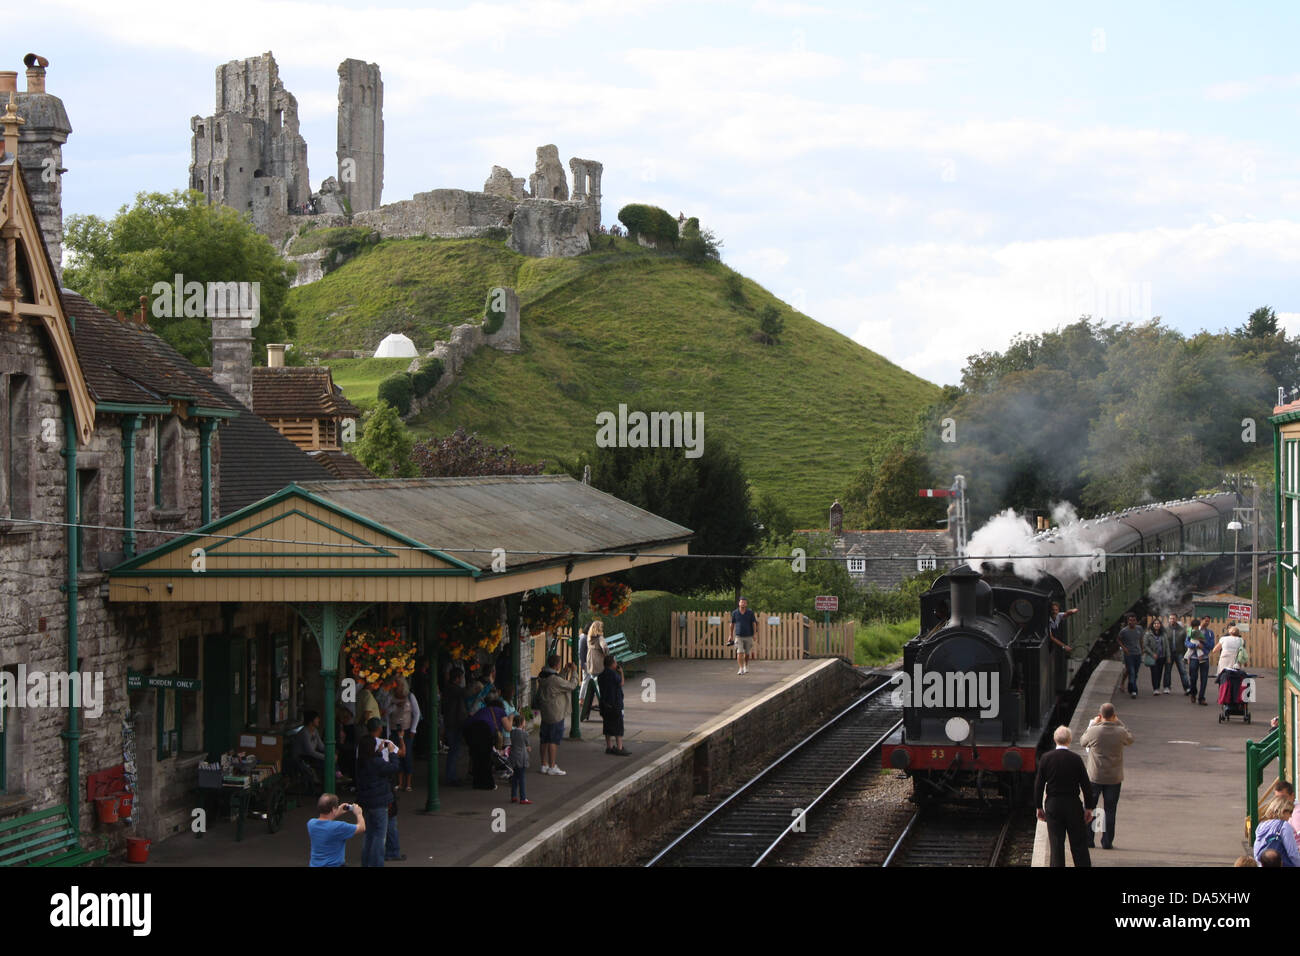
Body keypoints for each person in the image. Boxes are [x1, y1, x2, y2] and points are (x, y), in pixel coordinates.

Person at [1034, 725, 1095, 867]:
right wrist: (1089, 808)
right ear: (1070, 740)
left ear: (1055, 740)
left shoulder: (1046, 758)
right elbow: (1086, 785)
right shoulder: (1076, 759)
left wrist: (1038, 806)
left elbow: (1039, 785)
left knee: (1056, 844)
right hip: (1073, 804)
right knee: (1079, 843)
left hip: (1053, 805)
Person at [1079, 702, 1134, 850]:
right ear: (1114, 715)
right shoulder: (1120, 732)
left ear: (1100, 715)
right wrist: (1119, 721)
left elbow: (1082, 741)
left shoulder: (1094, 731)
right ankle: (1107, 841)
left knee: (1090, 807)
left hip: (1095, 776)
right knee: (1110, 809)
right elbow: (1130, 738)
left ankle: (1088, 840)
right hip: (1114, 778)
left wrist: (1093, 725)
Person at [354, 718, 403, 867]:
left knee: (368, 834)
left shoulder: (362, 762)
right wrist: (391, 753)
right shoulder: (376, 763)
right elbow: (393, 767)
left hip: (365, 801)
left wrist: (379, 752)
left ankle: (367, 862)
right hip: (379, 802)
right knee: (379, 836)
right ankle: (376, 863)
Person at [536, 656, 579, 775]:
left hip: (545, 712)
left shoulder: (543, 675)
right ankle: (552, 766)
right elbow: (571, 685)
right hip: (556, 713)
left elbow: (556, 680)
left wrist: (565, 671)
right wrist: (574, 672)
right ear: (556, 665)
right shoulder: (554, 680)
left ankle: (543, 764)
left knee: (544, 739)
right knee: (553, 740)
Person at [307, 793, 365, 867]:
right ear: (333, 809)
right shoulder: (339, 827)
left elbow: (325, 821)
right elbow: (362, 827)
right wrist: (359, 813)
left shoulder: (311, 823)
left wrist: (336, 812)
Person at [463, 698, 508, 790]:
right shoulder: (500, 711)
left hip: (468, 730)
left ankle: (477, 783)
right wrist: (511, 717)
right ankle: (488, 784)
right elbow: (508, 727)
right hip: (483, 730)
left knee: (476, 758)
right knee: (486, 758)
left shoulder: (483, 710)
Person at [388, 677, 421, 792]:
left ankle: (408, 783)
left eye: (399, 685)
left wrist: (413, 729)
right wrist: (394, 706)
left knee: (407, 755)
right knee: (395, 755)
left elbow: (417, 713)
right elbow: (386, 713)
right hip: (394, 729)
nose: (397, 688)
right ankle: (399, 782)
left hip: (407, 730)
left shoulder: (410, 696)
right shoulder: (390, 696)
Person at [597, 653, 629, 756]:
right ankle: (619, 747)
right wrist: (621, 672)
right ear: (612, 664)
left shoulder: (601, 676)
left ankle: (609, 746)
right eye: (615, 662)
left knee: (607, 726)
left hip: (605, 704)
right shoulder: (614, 675)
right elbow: (621, 683)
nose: (616, 664)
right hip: (615, 704)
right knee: (618, 726)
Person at [442, 665, 468, 785]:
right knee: (454, 751)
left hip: (453, 722)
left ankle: (452, 776)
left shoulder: (449, 689)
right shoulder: (453, 689)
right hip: (454, 723)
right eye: (461, 677)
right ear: (457, 678)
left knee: (455, 750)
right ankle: (450, 777)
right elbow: (465, 692)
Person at [1253, 801, 1300, 867]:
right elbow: (1292, 853)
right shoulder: (1284, 825)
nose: (1290, 816)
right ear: (1283, 811)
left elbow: (1256, 849)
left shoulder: (1261, 825)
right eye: (1290, 812)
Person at [292, 710, 328, 783]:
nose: (319, 720)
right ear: (311, 721)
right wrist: (326, 757)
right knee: (325, 763)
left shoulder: (315, 731)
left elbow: (321, 746)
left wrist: (331, 753)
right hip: (302, 758)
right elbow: (310, 752)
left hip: (310, 757)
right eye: (317, 718)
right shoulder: (304, 733)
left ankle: (338, 775)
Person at [582, 621, 607, 720]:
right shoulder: (600, 638)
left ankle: (589, 705)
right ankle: (604, 706)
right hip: (599, 662)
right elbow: (604, 647)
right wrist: (606, 654)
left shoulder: (589, 638)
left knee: (592, 682)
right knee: (601, 687)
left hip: (590, 661)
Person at [1117, 613, 1144, 699]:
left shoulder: (1139, 629)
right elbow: (1118, 639)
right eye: (1130, 620)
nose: (1131, 622)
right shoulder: (1124, 631)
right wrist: (1124, 648)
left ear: (1136, 621)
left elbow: (1141, 639)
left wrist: (1142, 649)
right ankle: (1134, 690)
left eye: (1133, 620)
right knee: (1131, 672)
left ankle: (1128, 685)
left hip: (1138, 654)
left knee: (1134, 672)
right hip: (1129, 655)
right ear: (1127, 621)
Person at [731, 597, 758, 676]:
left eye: (744, 602)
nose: (743, 604)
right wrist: (730, 635)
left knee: (746, 653)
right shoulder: (735, 613)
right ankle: (741, 668)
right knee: (740, 652)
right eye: (741, 602)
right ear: (739, 603)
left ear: (746, 604)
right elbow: (732, 624)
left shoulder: (750, 613)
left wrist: (755, 634)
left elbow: (754, 623)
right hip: (738, 636)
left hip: (748, 635)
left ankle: (746, 665)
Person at [1186, 618, 1210, 705]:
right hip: (1193, 658)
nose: (1207, 623)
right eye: (1205, 621)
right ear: (1201, 621)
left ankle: (1201, 697)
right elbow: (1187, 642)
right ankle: (1193, 693)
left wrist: (1203, 645)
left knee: (1204, 678)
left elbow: (1211, 645)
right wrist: (1195, 645)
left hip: (1204, 658)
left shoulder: (1209, 633)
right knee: (1193, 677)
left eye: (1208, 621)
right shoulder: (1191, 630)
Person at [509, 712, 532, 804]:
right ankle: (523, 797)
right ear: (522, 723)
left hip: (514, 756)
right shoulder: (525, 734)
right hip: (521, 757)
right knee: (522, 778)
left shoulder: (512, 732)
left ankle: (513, 796)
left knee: (515, 777)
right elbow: (528, 745)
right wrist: (528, 748)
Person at [1164, 614, 1190, 695]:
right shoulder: (1165, 629)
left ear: (1177, 619)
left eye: (1173, 618)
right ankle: (1167, 687)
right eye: (1170, 618)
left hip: (1180, 653)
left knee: (1183, 670)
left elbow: (1185, 642)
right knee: (1167, 670)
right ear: (1169, 620)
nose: (1172, 620)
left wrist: (1186, 655)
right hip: (1169, 653)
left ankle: (1187, 688)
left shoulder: (1182, 630)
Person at [1142, 618, 1167, 696]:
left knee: (1159, 672)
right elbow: (1145, 645)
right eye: (1155, 623)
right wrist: (1152, 654)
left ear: (1160, 625)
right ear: (1152, 625)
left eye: (1158, 623)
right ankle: (1155, 688)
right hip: (1153, 656)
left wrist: (1168, 656)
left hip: (1162, 656)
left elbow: (1167, 646)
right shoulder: (1148, 634)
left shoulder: (1163, 634)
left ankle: (1158, 687)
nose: (1156, 625)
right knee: (1154, 672)